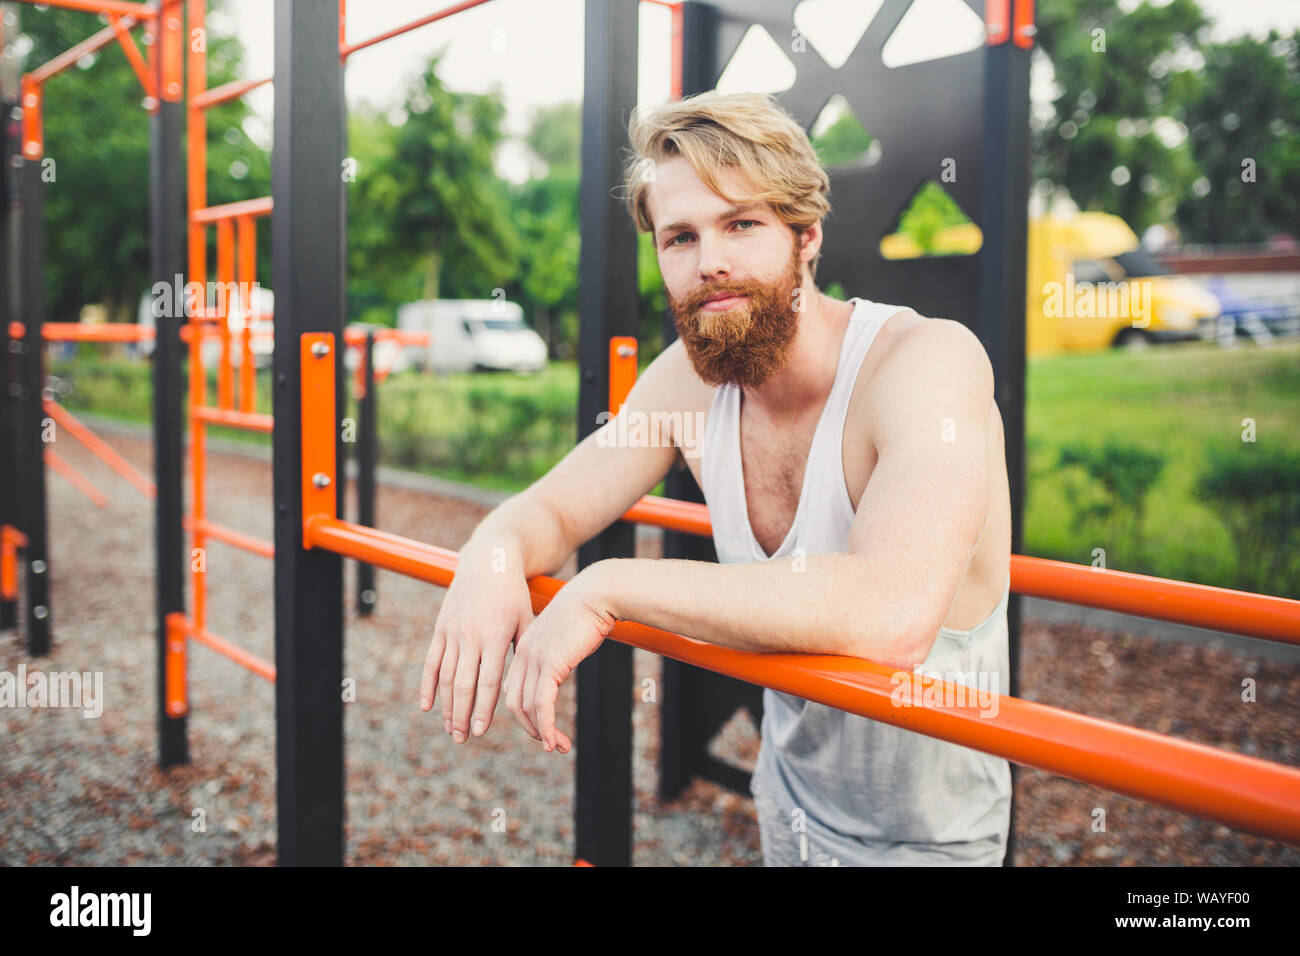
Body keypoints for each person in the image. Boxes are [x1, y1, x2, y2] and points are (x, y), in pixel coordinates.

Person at [418, 90, 1013, 866]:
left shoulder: (926, 363)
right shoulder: (686, 386)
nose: (710, 263)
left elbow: (891, 614)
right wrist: (490, 553)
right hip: (789, 807)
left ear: (806, 236)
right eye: (680, 237)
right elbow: (552, 511)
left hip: (935, 842)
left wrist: (604, 590)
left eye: (742, 224)